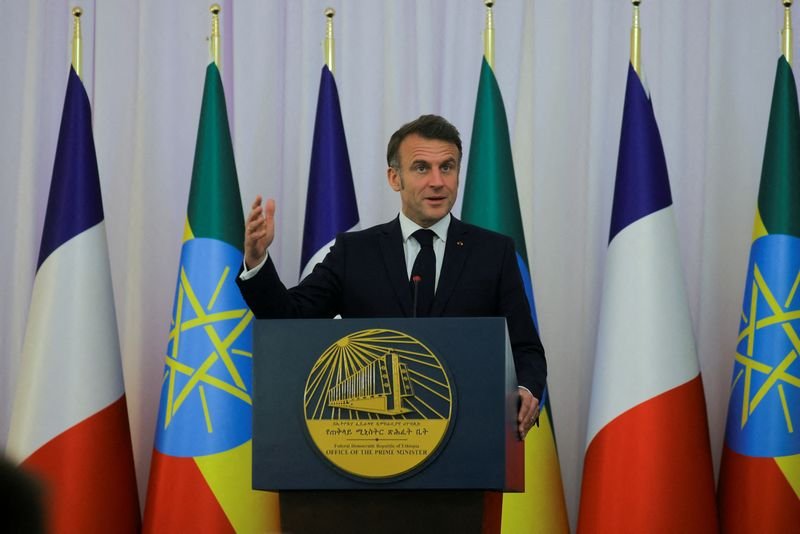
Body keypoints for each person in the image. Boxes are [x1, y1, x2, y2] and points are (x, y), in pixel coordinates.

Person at [237, 114, 545, 439]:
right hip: (374, 445)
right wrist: (256, 260)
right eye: (422, 168)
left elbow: (525, 348)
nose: (438, 181)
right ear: (394, 178)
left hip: (470, 441)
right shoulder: (354, 252)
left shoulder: (493, 253)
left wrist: (525, 388)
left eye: (448, 167)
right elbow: (289, 319)